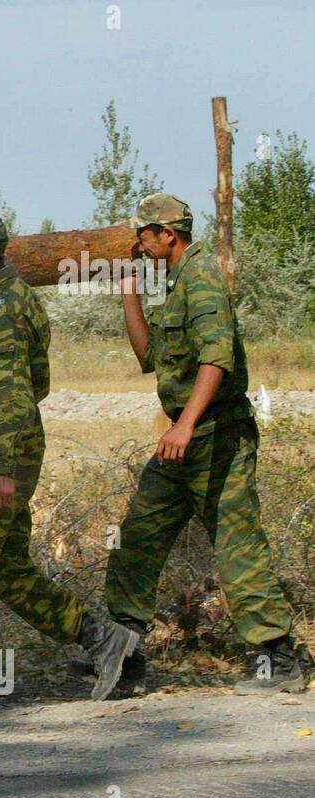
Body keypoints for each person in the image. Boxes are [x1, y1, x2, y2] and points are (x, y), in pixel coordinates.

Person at [0, 209, 138, 714]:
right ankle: (104, 639)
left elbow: (13, 392)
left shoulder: (5, 305)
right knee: (8, 570)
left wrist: (1, 469)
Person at [99, 193, 306, 695]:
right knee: (137, 539)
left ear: (169, 234)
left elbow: (218, 359)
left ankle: (281, 658)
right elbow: (150, 355)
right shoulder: (174, 282)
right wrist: (128, 294)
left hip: (216, 437)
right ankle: (121, 654)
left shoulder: (202, 275)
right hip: (182, 442)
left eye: (144, 235)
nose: (139, 243)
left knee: (236, 546)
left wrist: (184, 425)